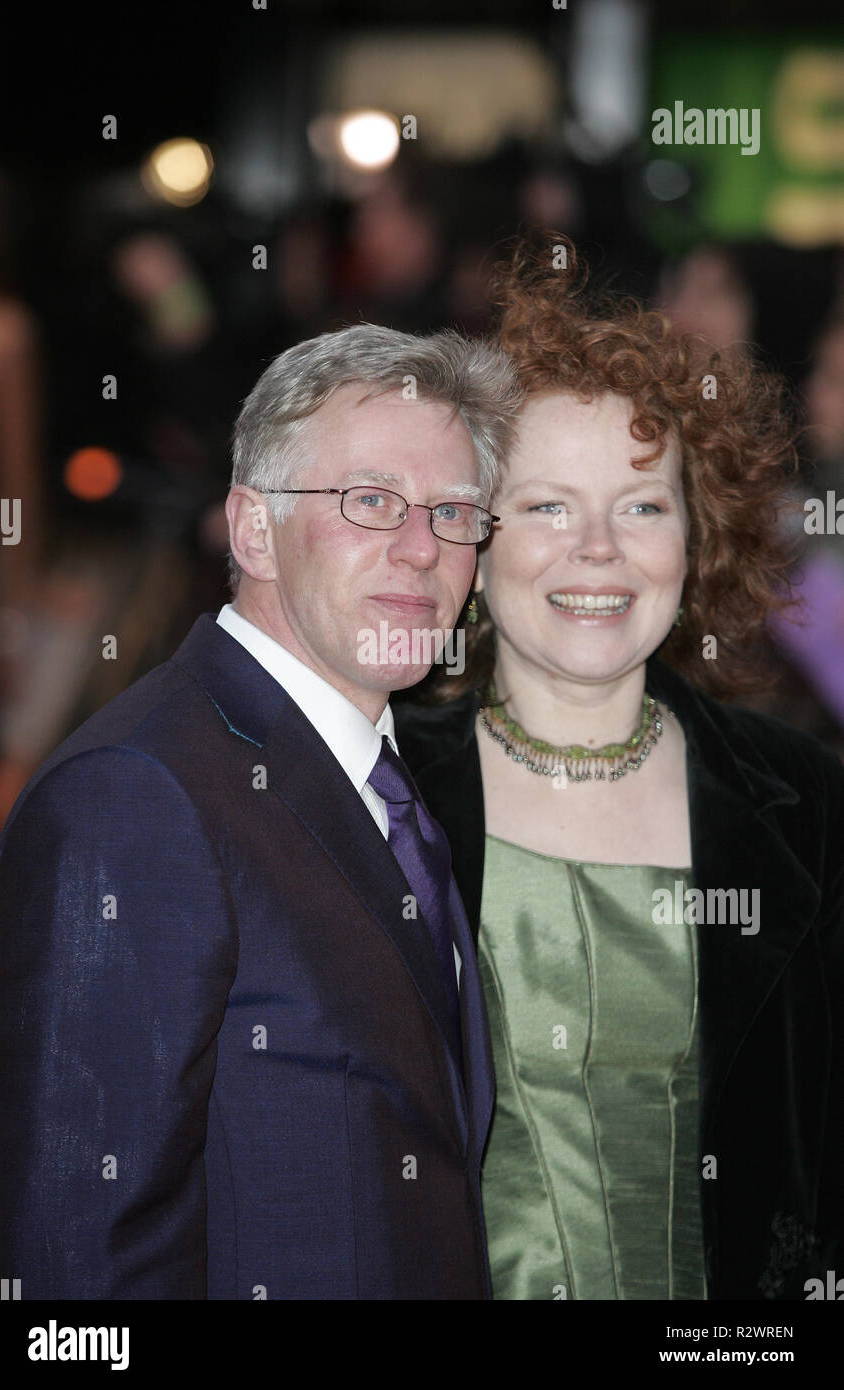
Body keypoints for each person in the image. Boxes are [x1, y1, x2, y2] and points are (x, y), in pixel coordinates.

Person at [0, 322, 522, 1299]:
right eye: (370, 501)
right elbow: (77, 1266)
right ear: (252, 529)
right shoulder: (136, 795)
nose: (418, 547)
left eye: (452, 511)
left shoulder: (395, 785)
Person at [393, 238, 844, 1301]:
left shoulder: (806, 805)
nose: (595, 548)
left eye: (641, 505)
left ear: (698, 538)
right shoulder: (369, 786)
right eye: (545, 505)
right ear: (469, 537)